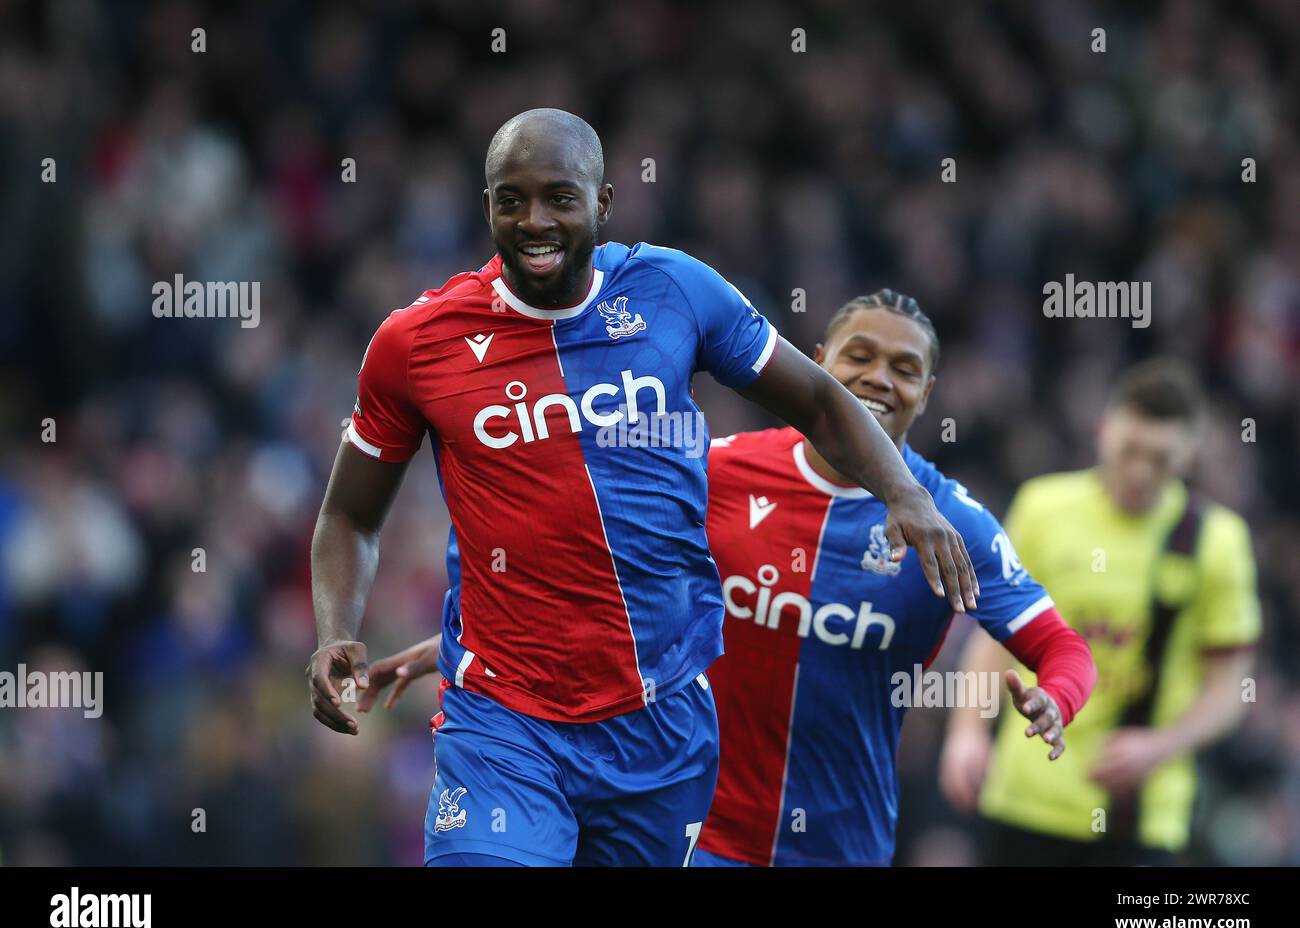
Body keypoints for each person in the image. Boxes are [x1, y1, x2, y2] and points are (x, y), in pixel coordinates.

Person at [307, 109, 978, 867]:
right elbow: (350, 516)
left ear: (603, 203)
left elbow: (822, 400)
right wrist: (336, 628)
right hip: (503, 719)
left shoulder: (675, 292)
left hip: (661, 723)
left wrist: (907, 495)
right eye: (510, 199)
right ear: (486, 204)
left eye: (560, 197)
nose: (535, 220)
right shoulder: (417, 343)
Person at [366, 291, 1096, 867]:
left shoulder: (949, 521)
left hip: (842, 845)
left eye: (904, 369)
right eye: (859, 356)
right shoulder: (719, 470)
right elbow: (594, 575)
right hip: (696, 830)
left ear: (928, 391)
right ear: (819, 362)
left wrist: (1056, 699)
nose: (878, 378)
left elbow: (1063, 646)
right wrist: (450, 645)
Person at [940, 359, 1261, 865]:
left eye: (1160, 458)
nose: (1140, 470)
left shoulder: (1218, 543)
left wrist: (1162, 745)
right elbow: (993, 637)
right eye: (1130, 450)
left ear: (1190, 454)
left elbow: (1232, 687)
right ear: (1103, 429)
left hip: (1141, 814)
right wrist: (967, 732)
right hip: (1028, 801)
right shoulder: (1043, 506)